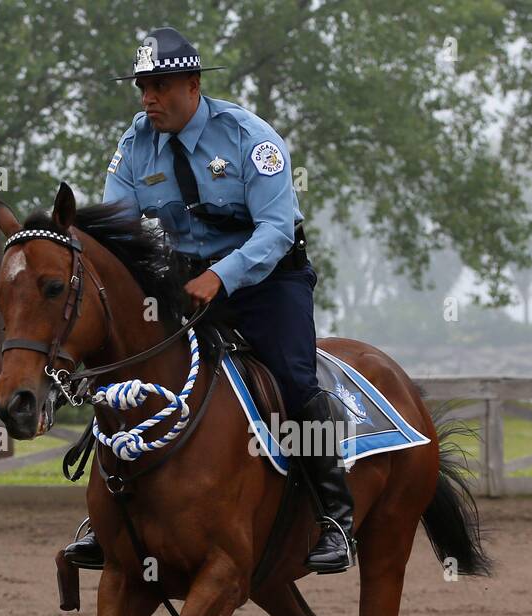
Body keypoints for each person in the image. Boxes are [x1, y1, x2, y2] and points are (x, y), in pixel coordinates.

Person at [62, 26, 356, 575]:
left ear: (193, 84)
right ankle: (104, 515)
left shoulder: (251, 138)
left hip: (268, 281)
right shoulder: (133, 145)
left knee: (293, 380)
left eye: (160, 86)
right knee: (122, 371)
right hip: (182, 284)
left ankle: (335, 515)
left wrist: (222, 276)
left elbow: (274, 230)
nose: (148, 98)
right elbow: (120, 234)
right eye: (142, 87)